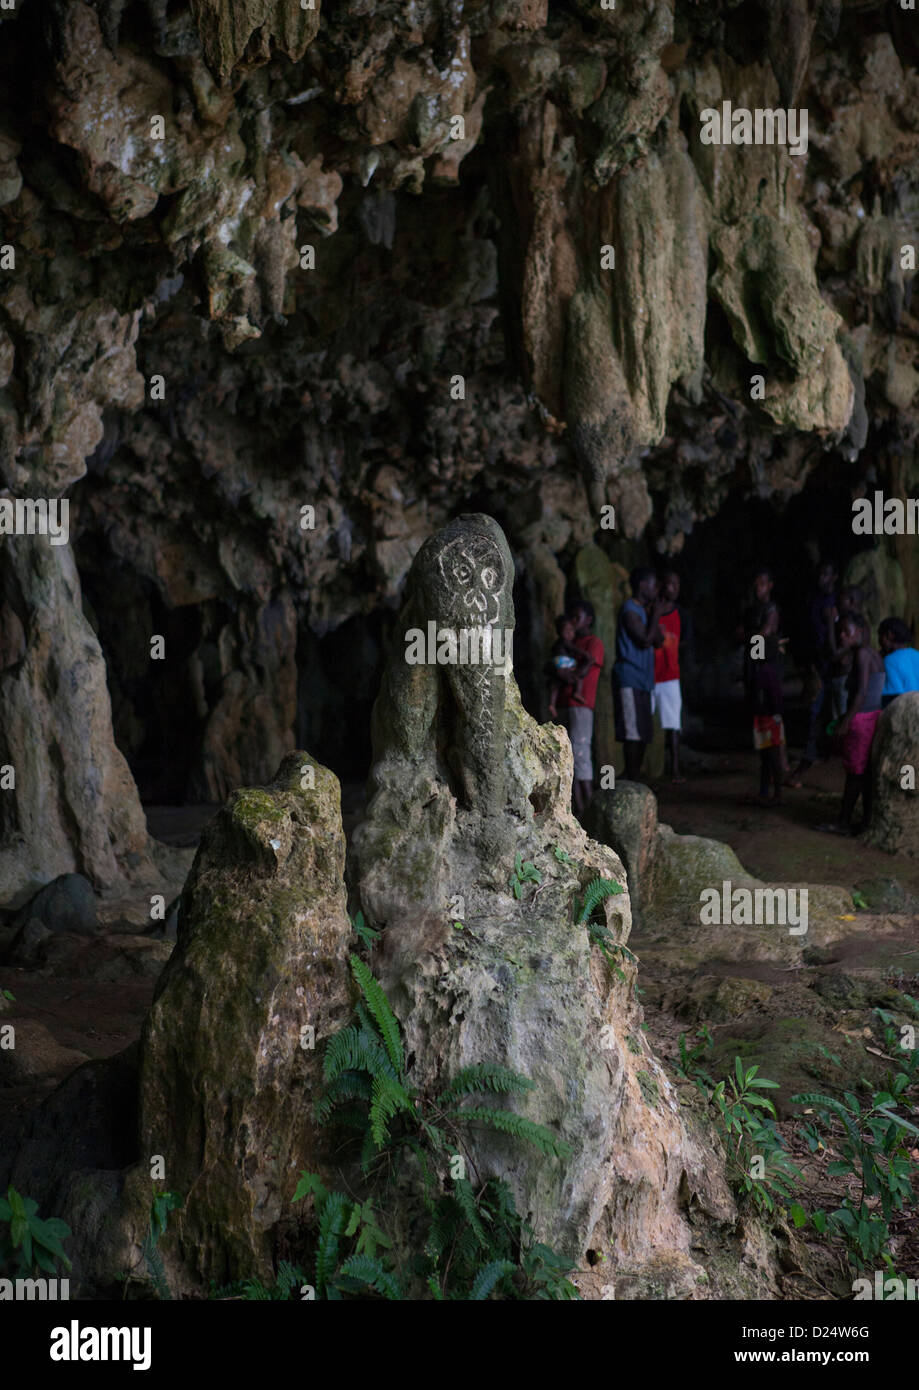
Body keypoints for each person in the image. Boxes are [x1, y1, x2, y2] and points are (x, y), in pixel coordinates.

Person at [820, 614, 885, 835]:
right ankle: (865, 822)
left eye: (846, 632)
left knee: (855, 774)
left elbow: (861, 692)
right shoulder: (871, 652)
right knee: (864, 773)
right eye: (840, 631)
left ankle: (843, 822)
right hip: (872, 716)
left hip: (861, 719)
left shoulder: (862, 655)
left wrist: (845, 721)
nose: (842, 635)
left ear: (859, 631)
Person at [613, 566, 663, 781]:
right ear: (642, 585)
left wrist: (653, 616)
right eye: (654, 584)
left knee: (643, 732)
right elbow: (644, 639)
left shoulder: (644, 611)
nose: (656, 589)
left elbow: (658, 640)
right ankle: (632, 777)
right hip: (630, 677)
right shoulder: (629, 609)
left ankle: (635, 776)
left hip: (644, 680)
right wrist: (657, 615)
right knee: (633, 733)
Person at [556, 600, 604, 820]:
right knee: (568, 755)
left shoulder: (593, 643)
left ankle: (590, 808)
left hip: (582, 704)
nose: (574, 622)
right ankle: (576, 807)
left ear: (589, 620)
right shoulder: (568, 641)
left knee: (581, 752)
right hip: (564, 704)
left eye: (578, 617)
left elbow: (587, 669)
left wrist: (571, 675)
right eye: (572, 617)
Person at [790, 560, 837, 781]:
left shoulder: (838, 602)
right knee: (816, 712)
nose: (822, 579)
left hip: (835, 667)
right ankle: (812, 756)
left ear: (834, 577)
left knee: (824, 714)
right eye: (820, 574)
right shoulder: (815, 601)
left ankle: (812, 759)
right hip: (819, 665)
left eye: (826, 574)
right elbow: (809, 634)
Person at [750, 603, 785, 805]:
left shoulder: (766, 673)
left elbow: (774, 700)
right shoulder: (768, 670)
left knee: (771, 757)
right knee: (766, 757)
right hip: (766, 717)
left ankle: (776, 794)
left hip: (768, 718)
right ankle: (766, 792)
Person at [652, 568, 685, 782]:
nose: (673, 588)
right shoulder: (651, 610)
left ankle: (674, 770)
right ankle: (649, 770)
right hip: (649, 676)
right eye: (669, 583)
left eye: (676, 585)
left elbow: (684, 641)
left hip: (671, 676)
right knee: (646, 725)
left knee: (673, 725)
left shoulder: (680, 614)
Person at [547, 615, 591, 717]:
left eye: (571, 630)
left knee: (555, 685)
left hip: (557, 663)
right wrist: (586, 655)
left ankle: (552, 704)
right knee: (577, 679)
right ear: (559, 632)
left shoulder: (556, 643)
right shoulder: (565, 642)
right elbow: (576, 650)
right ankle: (577, 693)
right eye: (565, 630)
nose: (569, 633)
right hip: (564, 663)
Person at [878, 617, 919, 708]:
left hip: (905, 711)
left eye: (880, 635)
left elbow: (893, 696)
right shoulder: (917, 654)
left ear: (889, 635)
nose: (879, 640)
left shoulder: (889, 660)